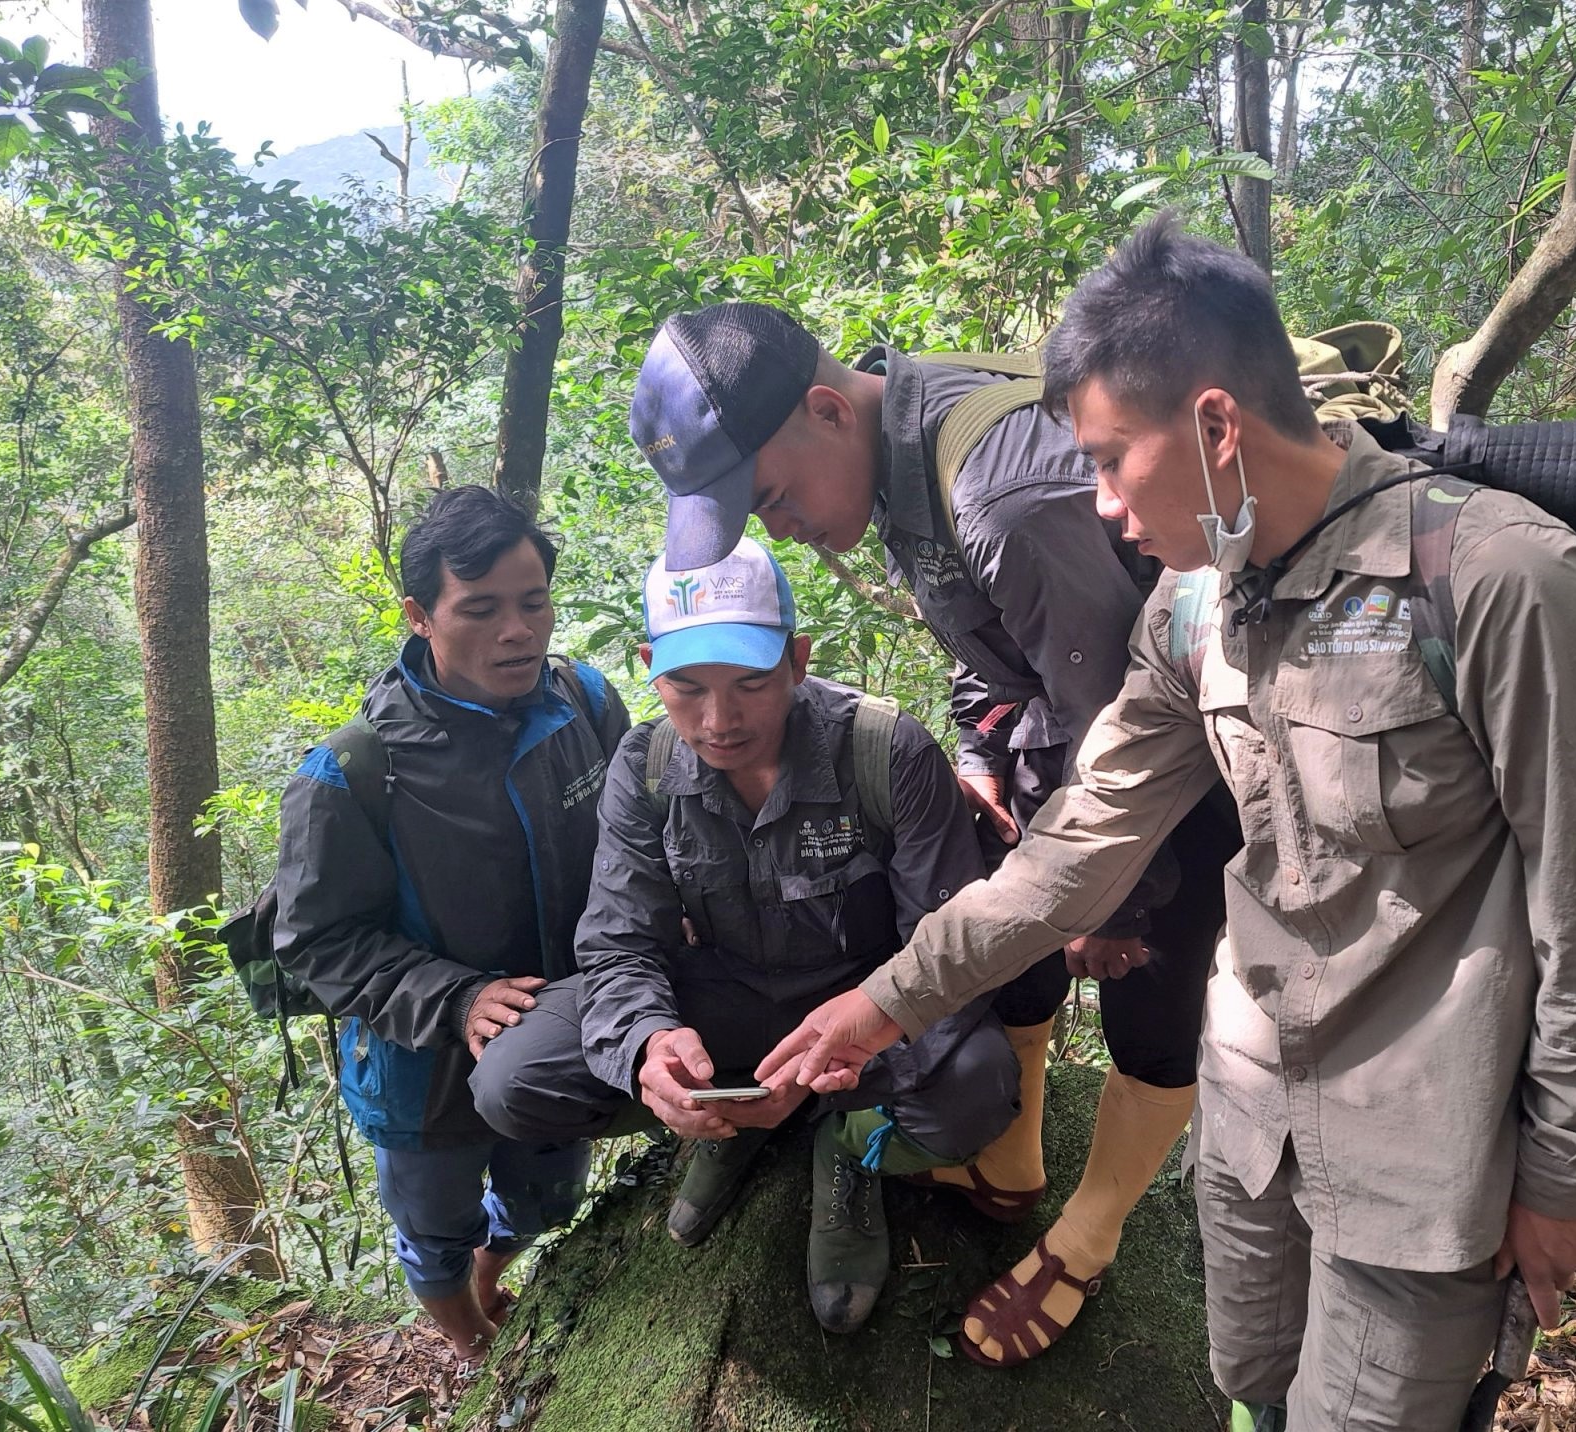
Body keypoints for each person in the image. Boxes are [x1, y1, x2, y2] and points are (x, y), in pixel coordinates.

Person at [755, 213, 1576, 1429]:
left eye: (1111, 461)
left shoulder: (1501, 583)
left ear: (1214, 426)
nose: (1100, 506)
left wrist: (1567, 1177)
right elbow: (1078, 845)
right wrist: (885, 1002)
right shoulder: (1195, 608)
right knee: (1249, 1381)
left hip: (1427, 1165)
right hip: (1255, 1128)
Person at [629, 297, 1240, 1367]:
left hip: (1177, 778)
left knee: (1148, 1001)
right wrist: (980, 754)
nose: (777, 529)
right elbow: (988, 638)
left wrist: (1115, 908)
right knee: (1014, 949)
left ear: (826, 409)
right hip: (1062, 752)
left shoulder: (999, 493)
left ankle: (1086, 1241)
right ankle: (1010, 1165)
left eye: (770, 498)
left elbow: (1131, 737)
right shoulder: (897, 452)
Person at [470, 537, 1018, 1335]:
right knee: (514, 1081)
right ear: (649, 668)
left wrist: (848, 1054)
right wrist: (650, 1047)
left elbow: (949, 951)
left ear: (796, 661)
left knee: (975, 1090)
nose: (718, 721)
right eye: (686, 688)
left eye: (751, 684)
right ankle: (725, 1117)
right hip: (720, 998)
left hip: (860, 1010)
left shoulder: (884, 750)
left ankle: (845, 1143)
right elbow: (620, 942)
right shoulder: (645, 765)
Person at [273, 486, 630, 1361]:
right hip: (418, 1068)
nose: (517, 631)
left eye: (533, 602)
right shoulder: (353, 772)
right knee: (433, 1225)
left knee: (546, 1198)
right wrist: (457, 999)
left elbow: (640, 837)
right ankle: (474, 1349)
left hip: (561, 1030)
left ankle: (492, 1277)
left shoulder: (582, 705)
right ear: (419, 615)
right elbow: (316, 939)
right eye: (480, 609)